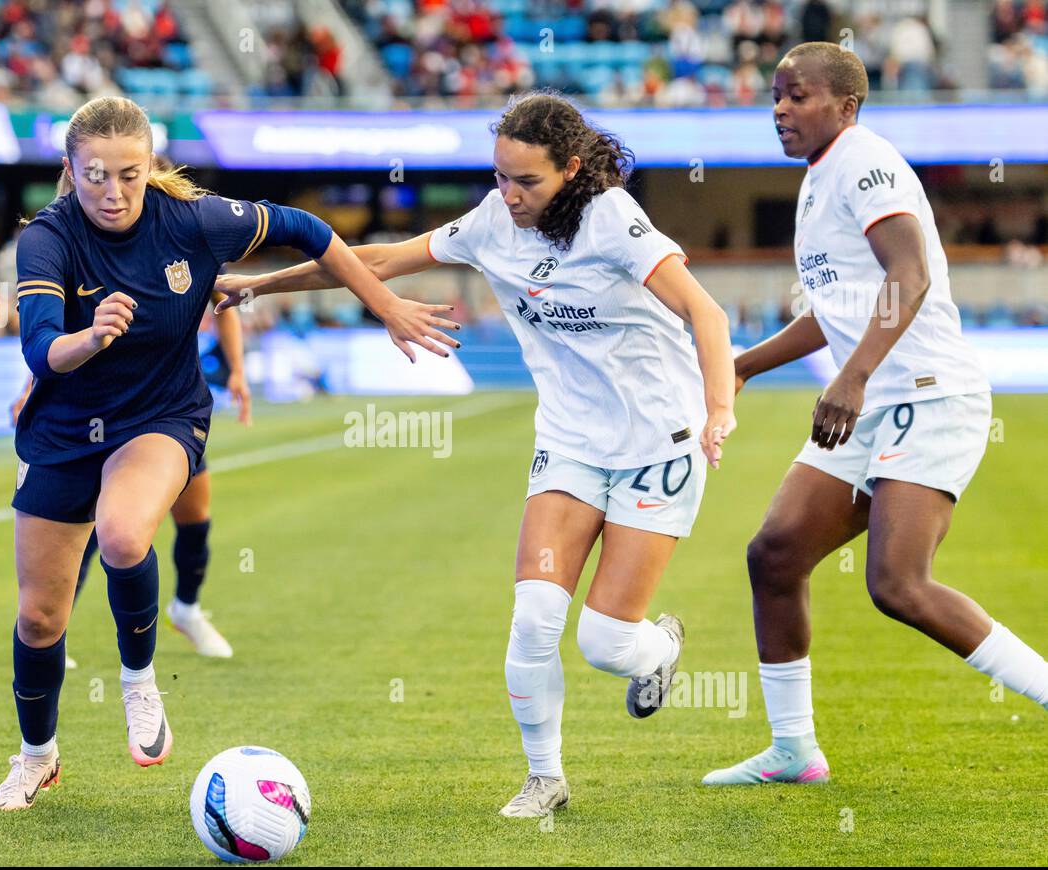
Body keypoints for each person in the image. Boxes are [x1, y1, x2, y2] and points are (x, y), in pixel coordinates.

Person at [215, 90, 736, 818]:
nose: (510, 195)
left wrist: (718, 408)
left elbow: (704, 312)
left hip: (659, 441)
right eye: (499, 177)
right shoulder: (494, 222)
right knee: (532, 619)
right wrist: (262, 284)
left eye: (527, 181)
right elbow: (377, 258)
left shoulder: (611, 218)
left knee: (606, 641)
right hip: (571, 444)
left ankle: (658, 648)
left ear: (573, 169)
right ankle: (544, 777)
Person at [0, 95, 455, 811]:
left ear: (150, 169)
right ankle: (36, 756)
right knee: (39, 619)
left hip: (161, 415)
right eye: (95, 176)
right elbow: (40, 349)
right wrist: (90, 337)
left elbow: (309, 229)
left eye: (130, 174)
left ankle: (139, 682)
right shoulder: (47, 239)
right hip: (63, 427)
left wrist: (384, 305)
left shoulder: (195, 219)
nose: (113, 192)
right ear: (68, 171)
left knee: (120, 533)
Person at [704, 43, 1048, 786]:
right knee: (776, 553)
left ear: (846, 105)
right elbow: (835, 310)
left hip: (930, 393)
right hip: (877, 400)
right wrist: (743, 364)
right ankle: (795, 751)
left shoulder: (864, 161)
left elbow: (910, 274)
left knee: (897, 584)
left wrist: (852, 378)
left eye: (798, 96)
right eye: (775, 96)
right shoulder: (817, 180)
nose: (780, 110)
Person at [9, 294, 249, 663]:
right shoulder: (86, 250)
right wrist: (30, 388)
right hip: (96, 411)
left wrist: (237, 370)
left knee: (195, 514)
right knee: (94, 522)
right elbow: (56, 333)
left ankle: (187, 607)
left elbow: (225, 300)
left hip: (167, 409)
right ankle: (58, 625)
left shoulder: (188, 241)